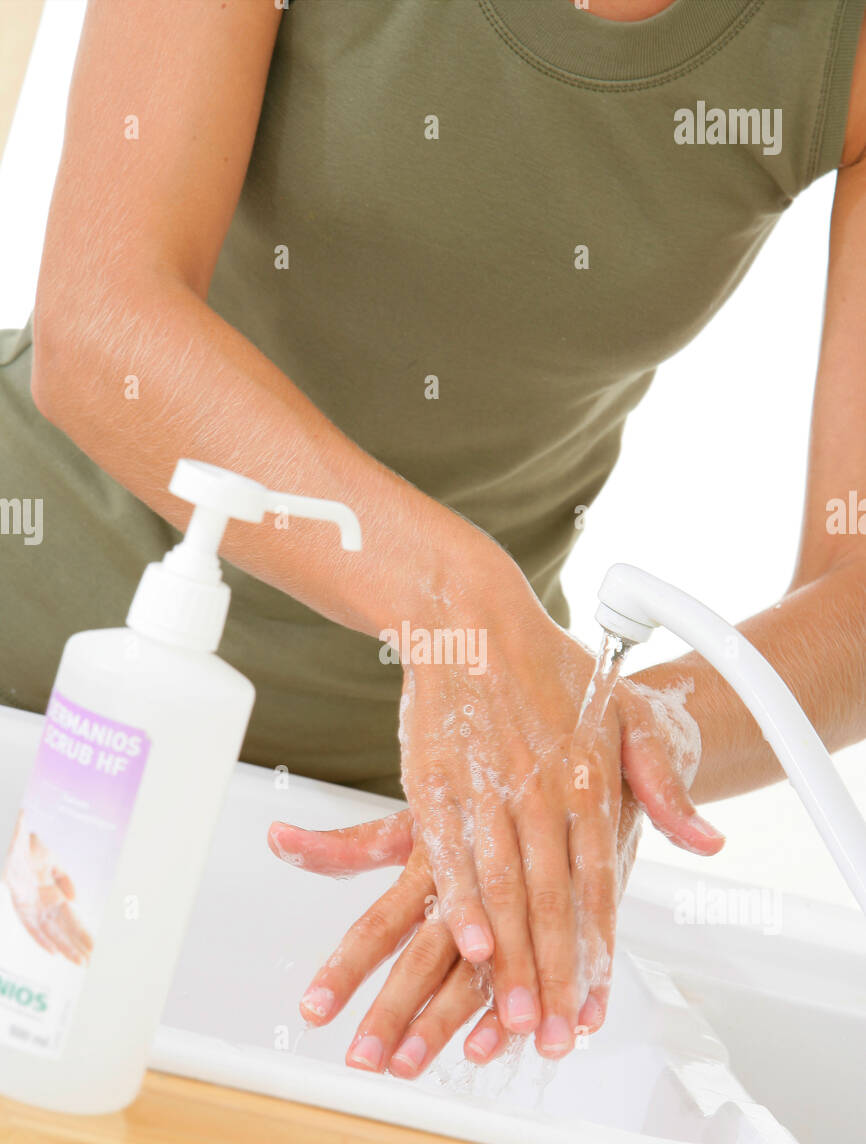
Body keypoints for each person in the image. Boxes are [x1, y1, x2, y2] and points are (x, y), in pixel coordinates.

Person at [1, 0, 864, 1077]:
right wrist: (452, 600)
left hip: (404, 835)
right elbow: (100, 330)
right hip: (41, 684)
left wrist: (606, 740)